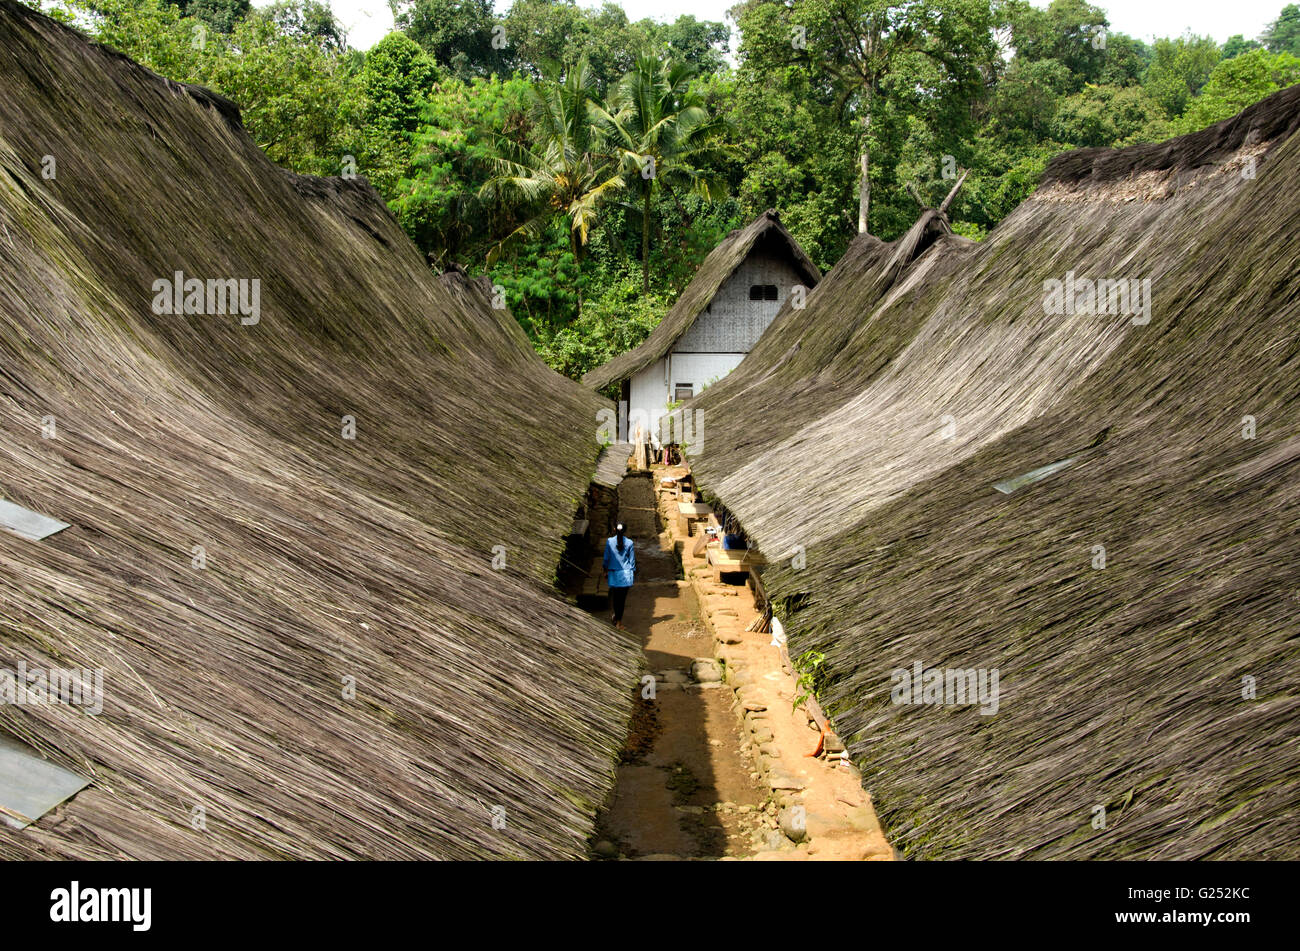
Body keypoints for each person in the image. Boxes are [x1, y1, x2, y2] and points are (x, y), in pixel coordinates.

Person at [603, 523, 636, 629]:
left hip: (613, 574)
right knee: (622, 600)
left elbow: (606, 559)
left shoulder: (609, 541)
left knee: (616, 598)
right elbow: (632, 561)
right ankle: (618, 622)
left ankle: (616, 617)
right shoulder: (630, 543)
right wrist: (633, 571)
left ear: (614, 529)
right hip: (626, 575)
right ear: (625, 530)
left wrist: (605, 570)